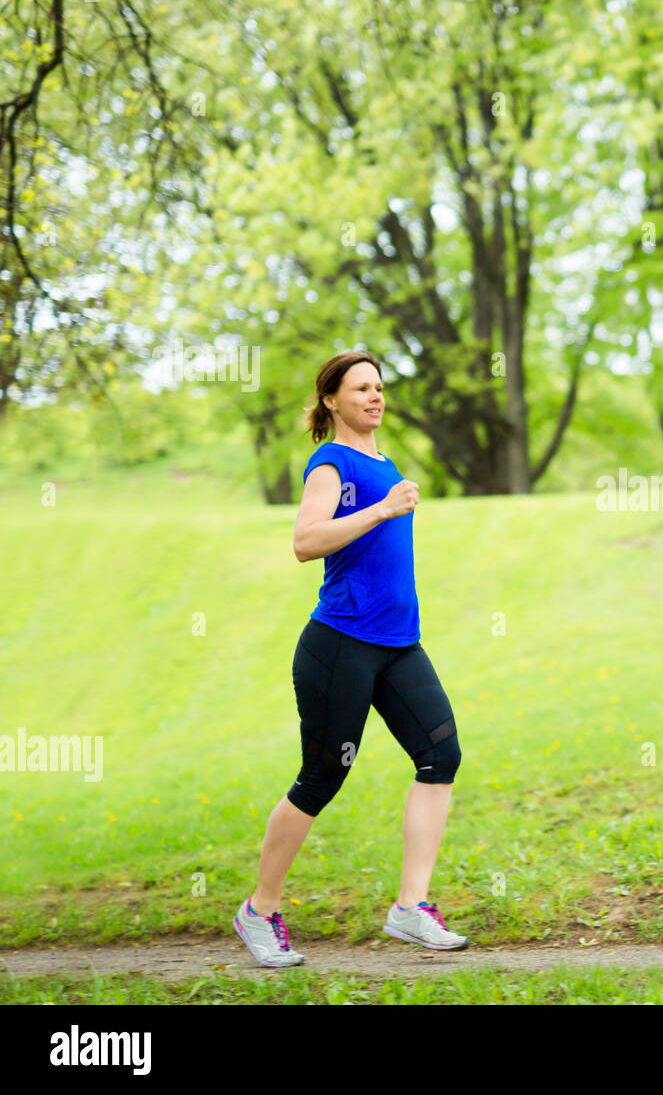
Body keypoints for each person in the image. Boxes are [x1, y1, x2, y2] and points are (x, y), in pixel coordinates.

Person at [233, 351, 468, 967]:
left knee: (440, 754)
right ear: (332, 400)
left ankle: (411, 908)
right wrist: (383, 508)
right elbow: (305, 542)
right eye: (360, 387)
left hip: (399, 645)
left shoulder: (382, 461)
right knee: (322, 777)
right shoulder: (330, 463)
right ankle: (259, 910)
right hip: (339, 644)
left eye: (379, 387)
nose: (374, 396)